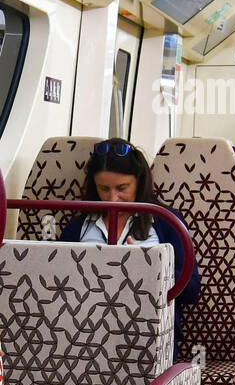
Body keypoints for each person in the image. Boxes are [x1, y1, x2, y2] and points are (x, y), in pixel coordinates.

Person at [59, 138, 202, 360]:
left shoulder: (166, 222)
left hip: (148, 333)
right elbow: (57, 279)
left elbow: (192, 289)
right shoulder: (79, 226)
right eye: (104, 189)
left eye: (122, 188)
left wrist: (149, 268)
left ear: (139, 182)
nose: (113, 198)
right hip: (85, 331)